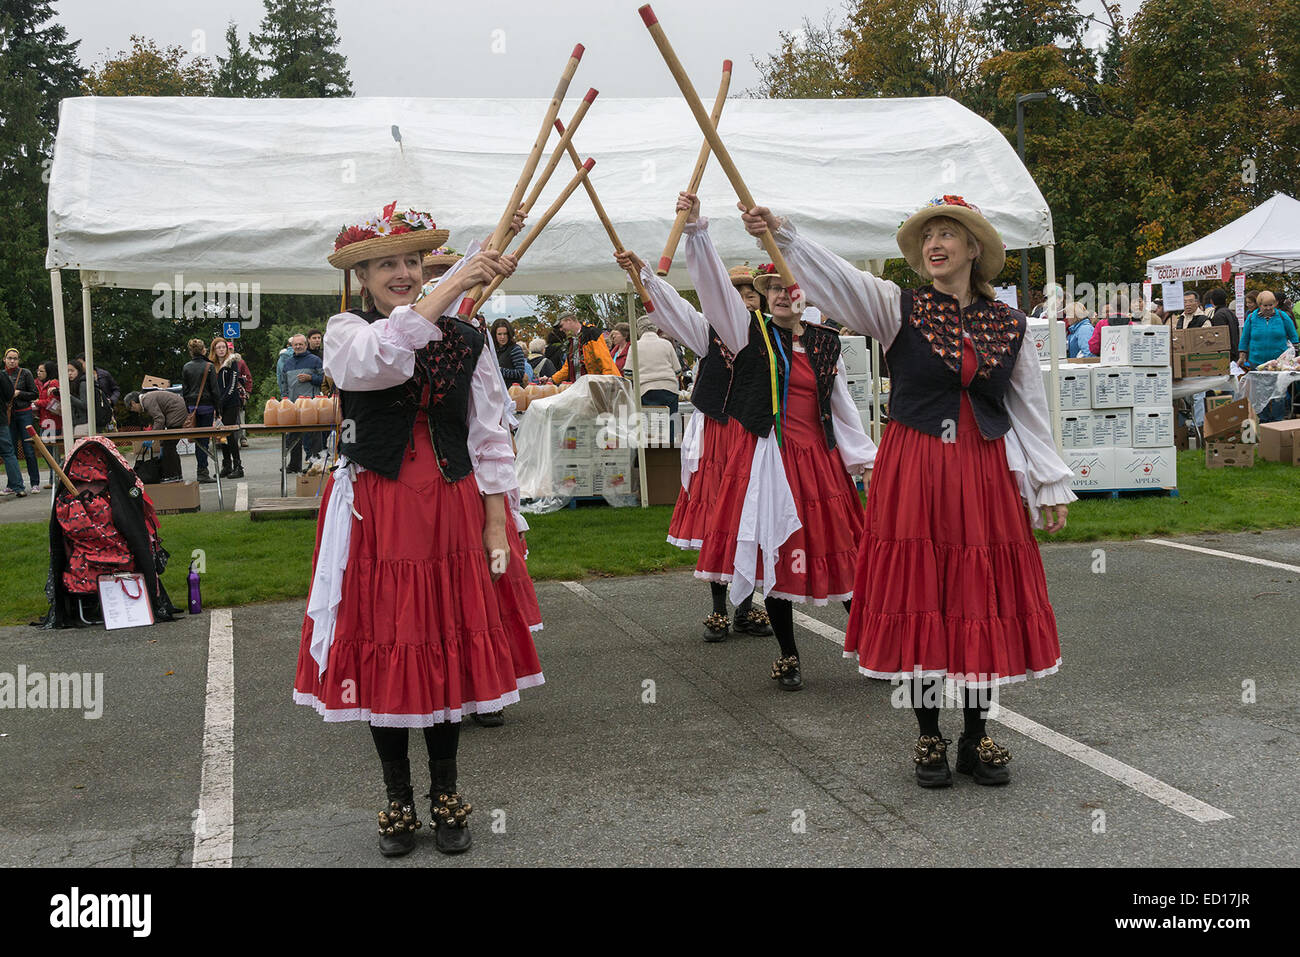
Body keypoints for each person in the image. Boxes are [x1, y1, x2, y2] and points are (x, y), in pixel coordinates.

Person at [743, 193, 1074, 788]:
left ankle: (976, 735)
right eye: (927, 236)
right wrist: (786, 235)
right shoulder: (897, 307)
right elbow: (840, 280)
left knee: (981, 595)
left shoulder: (1009, 324)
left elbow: (1027, 407)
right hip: (915, 467)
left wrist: (1048, 482)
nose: (935, 244)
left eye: (948, 233)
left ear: (975, 249)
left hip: (983, 470)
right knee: (918, 590)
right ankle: (927, 733)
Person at [294, 200, 541, 856]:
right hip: (380, 508)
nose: (401, 273)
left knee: (445, 645)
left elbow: (489, 437)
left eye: (410, 262)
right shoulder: (347, 331)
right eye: (386, 266)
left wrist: (497, 524)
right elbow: (383, 357)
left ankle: (446, 792)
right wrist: (456, 284)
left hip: (453, 506)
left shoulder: (468, 338)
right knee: (386, 646)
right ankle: (397, 796)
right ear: (364, 277)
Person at [620, 191, 875, 691]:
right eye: (772, 288)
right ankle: (788, 653)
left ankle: (867, 640)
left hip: (820, 464)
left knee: (844, 553)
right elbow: (712, 295)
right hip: (774, 463)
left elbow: (840, 407)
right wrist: (697, 233)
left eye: (789, 287)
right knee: (777, 557)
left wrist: (863, 458)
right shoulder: (750, 334)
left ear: (805, 294)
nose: (781, 294)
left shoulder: (824, 343)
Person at [626, 258, 773, 641]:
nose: (745, 299)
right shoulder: (704, 331)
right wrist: (643, 275)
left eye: (751, 293)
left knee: (749, 520)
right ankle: (719, 609)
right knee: (716, 522)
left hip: (752, 434)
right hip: (717, 432)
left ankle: (744, 608)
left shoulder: (773, 335)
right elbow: (674, 308)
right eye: (738, 292)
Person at [1239, 290, 1299, 421]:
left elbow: (1294, 337)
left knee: (1279, 393)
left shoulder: (1283, 317)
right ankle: (1264, 420)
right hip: (1257, 362)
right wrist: (1242, 356)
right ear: (1259, 305)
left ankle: (1277, 421)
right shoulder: (1251, 318)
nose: (1268, 308)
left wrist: (1295, 355)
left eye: (1271, 305)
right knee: (1260, 393)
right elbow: (1245, 338)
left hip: (1279, 364)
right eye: (1265, 305)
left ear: (1275, 304)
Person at [124, 388, 188, 481]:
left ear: (133, 403)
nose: (135, 411)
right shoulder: (147, 398)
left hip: (176, 414)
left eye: (132, 408)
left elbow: (159, 419)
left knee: (168, 447)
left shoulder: (147, 401)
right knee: (169, 446)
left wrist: (151, 437)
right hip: (177, 412)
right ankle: (177, 475)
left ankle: (172, 476)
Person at [282, 333, 324, 473]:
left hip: (311, 405)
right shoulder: (287, 363)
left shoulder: (315, 360)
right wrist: (285, 400)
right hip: (293, 405)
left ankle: (315, 464)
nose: (298, 346)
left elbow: (324, 380)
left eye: (301, 344)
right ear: (292, 346)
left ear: (306, 345)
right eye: (296, 344)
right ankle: (294, 464)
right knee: (294, 435)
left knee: (313, 435)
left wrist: (311, 378)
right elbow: (284, 384)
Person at [633, 317, 682, 435]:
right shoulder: (667, 344)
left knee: (649, 430)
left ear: (639, 329)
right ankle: (670, 450)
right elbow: (678, 371)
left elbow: (628, 373)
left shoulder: (635, 346)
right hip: (669, 389)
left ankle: (650, 452)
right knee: (670, 426)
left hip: (644, 390)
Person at [180, 339, 220, 483]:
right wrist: (218, 410)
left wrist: (187, 409)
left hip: (192, 407)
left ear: (191, 352)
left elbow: (185, 390)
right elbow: (215, 391)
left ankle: (201, 469)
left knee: (197, 440)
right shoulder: (209, 366)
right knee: (204, 440)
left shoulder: (186, 367)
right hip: (207, 407)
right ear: (204, 350)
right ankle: (202, 471)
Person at [4, 349, 41, 491]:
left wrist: (19, 393)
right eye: (9, 358)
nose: (12, 361)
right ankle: (12, 484)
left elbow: (34, 394)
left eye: (15, 358)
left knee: (29, 449)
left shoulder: (25, 373)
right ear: (4, 359)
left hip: (24, 413)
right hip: (9, 415)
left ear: (18, 360)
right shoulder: (2, 375)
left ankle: (35, 483)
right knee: (10, 450)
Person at [210, 338, 245, 479]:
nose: (221, 350)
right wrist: (215, 403)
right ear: (214, 350)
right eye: (218, 347)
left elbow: (232, 385)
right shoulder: (212, 365)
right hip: (218, 404)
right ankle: (227, 465)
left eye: (223, 347)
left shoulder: (232, 363)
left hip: (231, 403)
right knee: (221, 435)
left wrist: (222, 401)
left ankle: (238, 466)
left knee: (229, 434)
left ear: (227, 348)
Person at [551, 312, 621, 382]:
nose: (560, 329)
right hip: (579, 387)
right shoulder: (571, 341)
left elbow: (604, 360)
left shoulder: (591, 333)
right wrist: (552, 379)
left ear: (569, 320)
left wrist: (609, 383)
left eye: (561, 326)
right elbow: (568, 368)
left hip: (594, 385)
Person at [33, 361, 61, 488]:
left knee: (49, 451)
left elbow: (52, 401)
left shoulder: (53, 383)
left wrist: (38, 402)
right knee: (47, 451)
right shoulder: (40, 384)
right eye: (38, 371)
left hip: (52, 422)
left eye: (41, 371)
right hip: (44, 421)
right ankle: (53, 478)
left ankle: (57, 476)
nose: (38, 373)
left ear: (48, 371)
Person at [0, 363, 25, 498]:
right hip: (0, 419)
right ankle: (18, 487)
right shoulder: (2, 375)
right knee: (8, 453)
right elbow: (9, 393)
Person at [490, 318, 528, 387]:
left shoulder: (515, 349)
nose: (502, 337)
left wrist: (499, 370)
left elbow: (520, 373)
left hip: (513, 391)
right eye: (499, 334)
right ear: (494, 335)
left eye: (505, 334)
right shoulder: (492, 350)